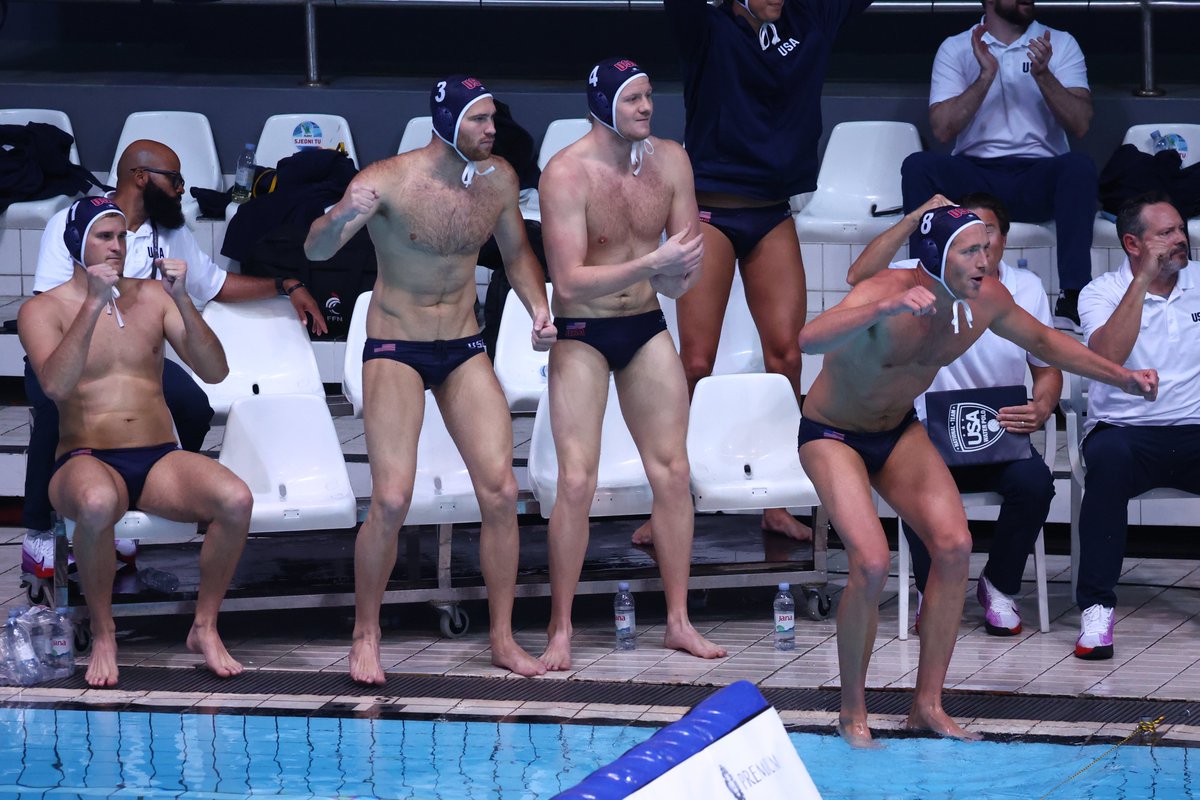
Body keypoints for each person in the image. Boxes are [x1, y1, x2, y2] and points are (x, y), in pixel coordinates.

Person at [798, 205, 1157, 747]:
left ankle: (927, 705)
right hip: (833, 434)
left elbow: (1046, 343)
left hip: (896, 430)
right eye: (970, 251)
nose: (985, 261)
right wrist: (882, 307)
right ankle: (852, 712)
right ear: (937, 257)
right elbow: (809, 339)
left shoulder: (985, 298)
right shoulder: (887, 290)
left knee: (954, 546)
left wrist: (1122, 377)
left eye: (986, 248)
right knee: (870, 563)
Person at [305, 76, 556, 682]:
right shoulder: (386, 180)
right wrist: (342, 215)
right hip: (396, 345)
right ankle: (366, 634)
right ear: (446, 123)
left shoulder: (497, 180)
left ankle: (502, 637)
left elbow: (517, 254)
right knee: (391, 498)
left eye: (493, 118)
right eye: (479, 120)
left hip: (463, 345)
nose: (492, 130)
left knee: (501, 492)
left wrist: (538, 308)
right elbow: (315, 251)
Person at [21, 140, 326, 585]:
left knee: (192, 405)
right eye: (175, 180)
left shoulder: (171, 231)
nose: (183, 189)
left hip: (135, 352)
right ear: (141, 177)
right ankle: (39, 529)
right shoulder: (73, 223)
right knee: (56, 403)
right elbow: (54, 301)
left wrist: (285, 284)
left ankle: (149, 490)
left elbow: (215, 284)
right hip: (69, 345)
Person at [537, 57, 726, 671]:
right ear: (602, 106)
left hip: (645, 325)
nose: (646, 107)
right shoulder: (565, 173)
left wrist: (674, 274)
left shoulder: (672, 161)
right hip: (583, 332)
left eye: (649, 96)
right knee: (576, 482)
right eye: (632, 99)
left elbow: (684, 263)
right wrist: (652, 264)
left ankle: (678, 622)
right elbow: (568, 282)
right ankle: (560, 629)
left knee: (673, 473)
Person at [659, 0, 872, 544]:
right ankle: (667, 502)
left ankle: (776, 501)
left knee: (787, 356)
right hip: (710, 210)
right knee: (696, 362)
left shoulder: (810, 20)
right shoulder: (707, 27)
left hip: (772, 211)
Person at [17, 197, 252, 688]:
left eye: (122, 237)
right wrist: (92, 304)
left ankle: (204, 626)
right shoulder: (42, 309)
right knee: (97, 503)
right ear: (77, 243)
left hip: (159, 456)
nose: (117, 247)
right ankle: (104, 633)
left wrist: (183, 300)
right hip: (85, 457)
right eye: (105, 237)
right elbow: (55, 386)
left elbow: (215, 371)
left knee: (235, 499)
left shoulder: (152, 297)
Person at [848, 192, 1060, 637]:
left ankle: (999, 586)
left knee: (1036, 485)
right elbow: (858, 275)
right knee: (910, 481)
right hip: (933, 439)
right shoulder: (918, 278)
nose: (979, 247)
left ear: (1004, 239)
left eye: (987, 234)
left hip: (1001, 435)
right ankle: (930, 590)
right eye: (966, 238)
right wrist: (912, 219)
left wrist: (1043, 405)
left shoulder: (1025, 288)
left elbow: (1047, 366)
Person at [901, 0, 1095, 332]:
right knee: (918, 166)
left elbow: (1080, 124)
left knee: (1079, 167)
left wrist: (1043, 75)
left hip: (1037, 175)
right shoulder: (956, 47)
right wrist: (986, 75)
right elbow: (943, 130)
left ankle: (1074, 295)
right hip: (974, 177)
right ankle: (924, 286)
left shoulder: (1059, 43)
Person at [1074, 192, 1200, 660]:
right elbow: (1107, 357)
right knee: (1108, 462)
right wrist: (1143, 281)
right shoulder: (1100, 292)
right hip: (1124, 430)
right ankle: (1097, 609)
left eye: (1180, 229)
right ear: (1132, 244)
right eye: (1165, 233)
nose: (1180, 239)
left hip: (1194, 427)